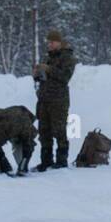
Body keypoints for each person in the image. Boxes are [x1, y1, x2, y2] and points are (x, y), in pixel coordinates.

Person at [34, 30, 76, 171]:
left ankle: (61, 161)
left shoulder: (67, 57)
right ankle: (46, 161)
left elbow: (64, 77)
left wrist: (49, 69)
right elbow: (45, 77)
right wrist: (37, 74)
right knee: (44, 131)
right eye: (48, 42)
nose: (49, 45)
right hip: (44, 99)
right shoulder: (49, 57)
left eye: (52, 42)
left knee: (59, 131)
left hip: (58, 100)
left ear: (59, 42)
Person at [0, 105, 38, 176]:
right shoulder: (20, 110)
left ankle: (5, 166)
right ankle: (23, 167)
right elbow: (33, 124)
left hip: (7, 127)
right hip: (25, 126)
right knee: (28, 145)